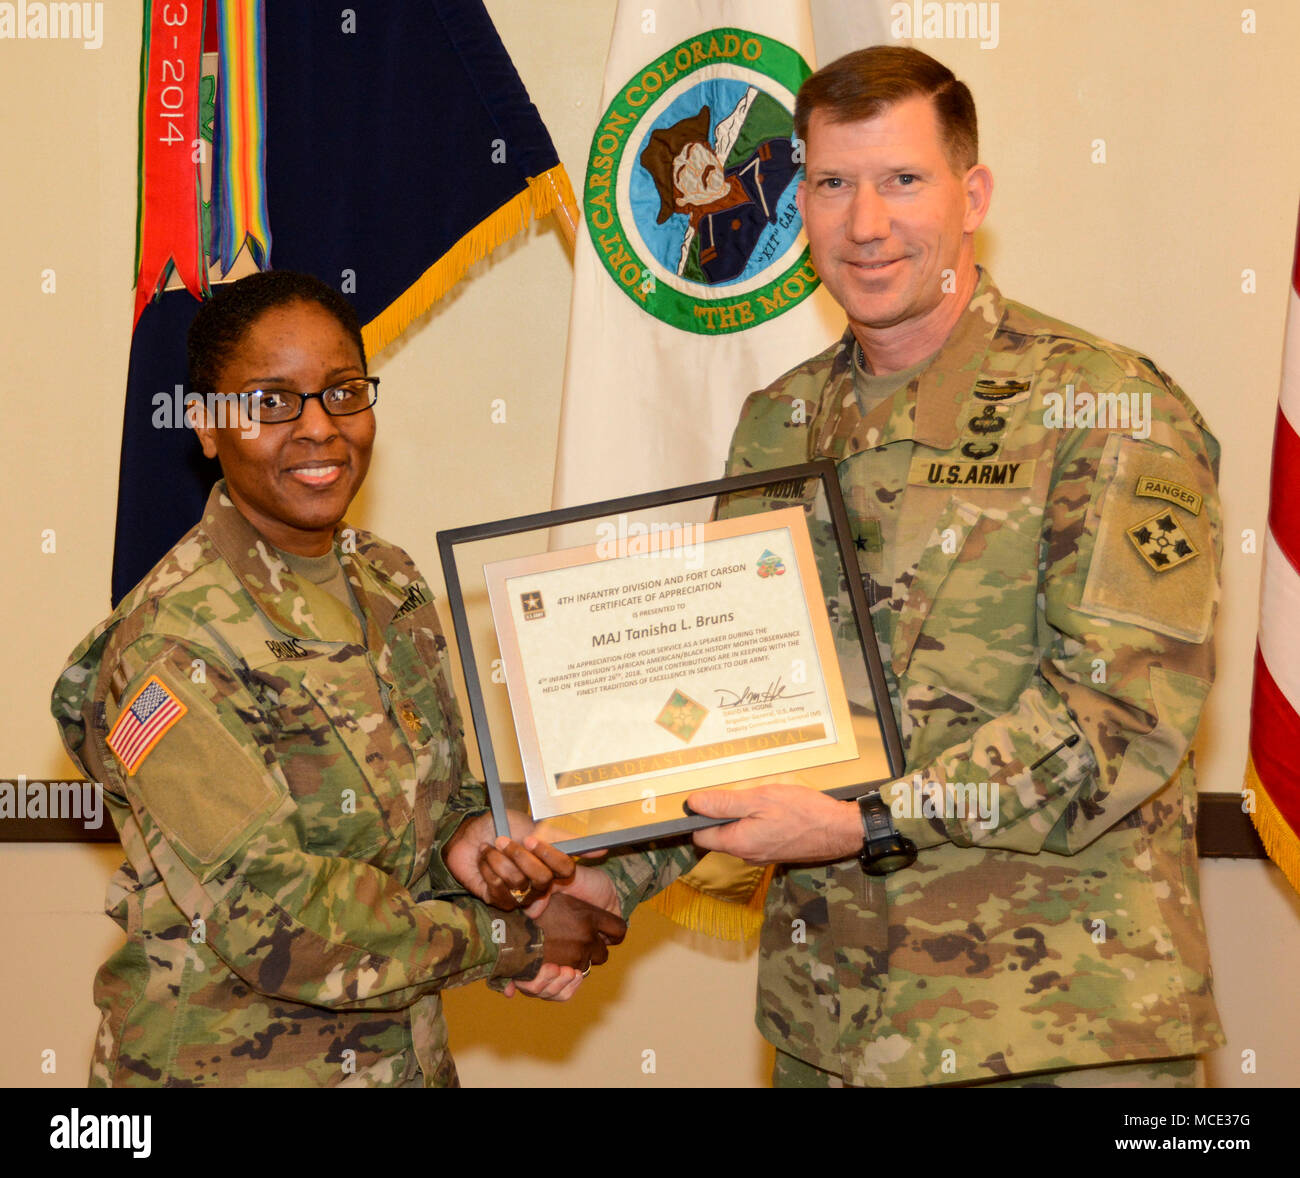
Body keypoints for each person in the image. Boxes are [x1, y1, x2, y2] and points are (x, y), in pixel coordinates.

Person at [585, 45, 1225, 1087]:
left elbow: (1119, 720)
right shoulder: (779, 422)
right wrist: (609, 879)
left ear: (971, 195)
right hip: (830, 1023)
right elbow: (735, 701)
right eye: (832, 184)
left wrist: (861, 820)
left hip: (1058, 1027)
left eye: (902, 180)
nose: (866, 224)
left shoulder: (1105, 406)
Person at [51, 270, 624, 1087]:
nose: (318, 429)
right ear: (207, 427)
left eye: (343, 392)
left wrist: (473, 846)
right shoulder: (170, 644)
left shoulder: (386, 581)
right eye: (270, 401)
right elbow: (268, 912)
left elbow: (428, 801)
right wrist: (504, 942)